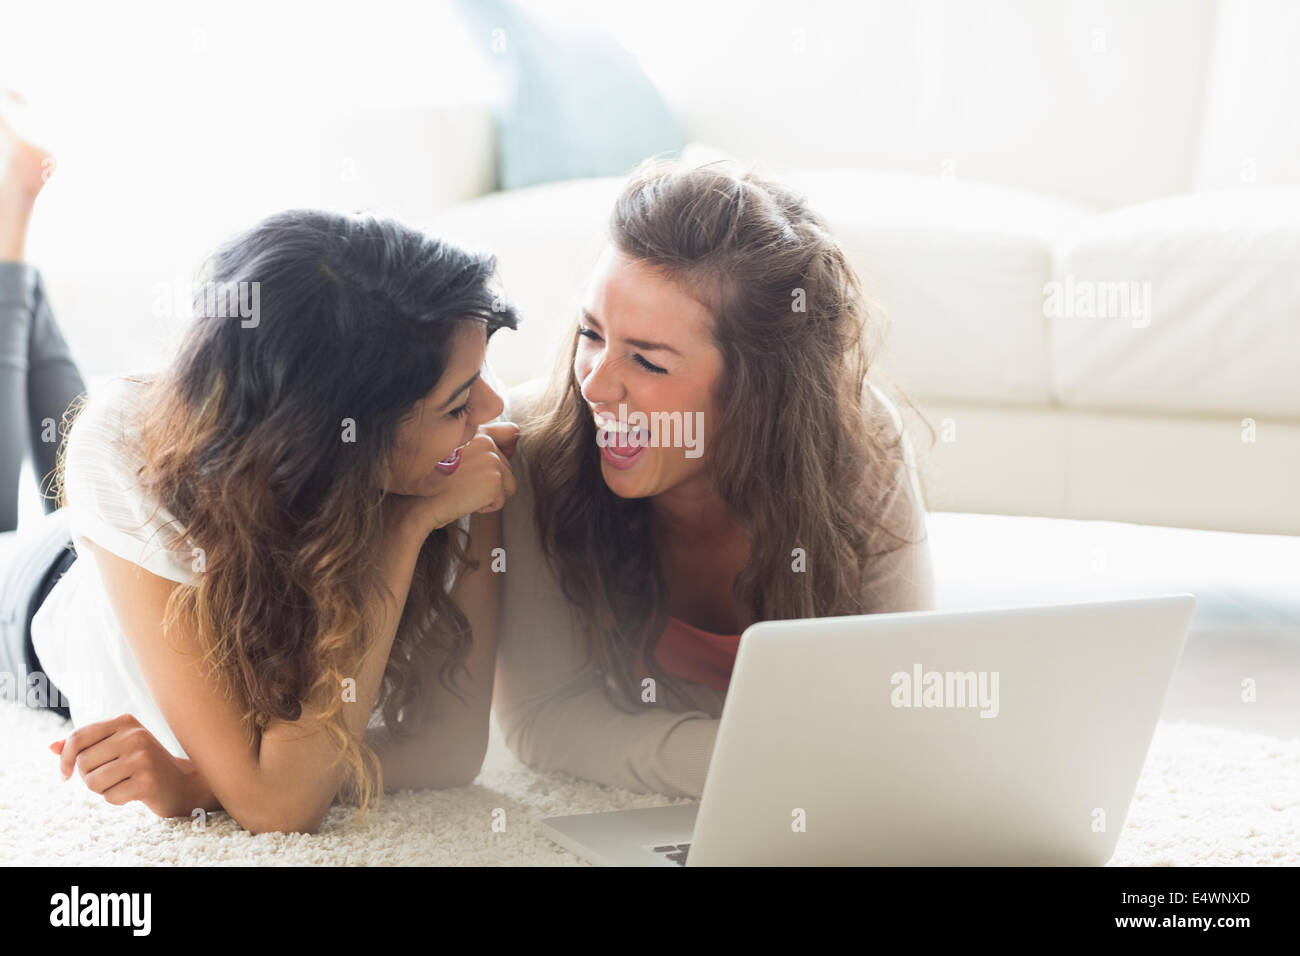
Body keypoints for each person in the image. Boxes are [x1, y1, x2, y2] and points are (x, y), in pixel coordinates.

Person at [0, 90, 520, 833]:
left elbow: (447, 752)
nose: (493, 410)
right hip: (51, 596)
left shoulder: (448, 469)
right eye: (459, 400)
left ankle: (17, 258)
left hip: (159, 503)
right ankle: (12, 244)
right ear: (342, 436)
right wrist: (401, 533)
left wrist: (206, 784)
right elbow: (279, 804)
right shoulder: (126, 444)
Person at [494, 156, 937, 798]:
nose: (593, 384)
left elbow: (902, 712)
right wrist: (760, 767)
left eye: (647, 360)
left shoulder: (857, 441)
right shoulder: (538, 441)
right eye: (592, 333)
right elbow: (544, 717)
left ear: (758, 392)